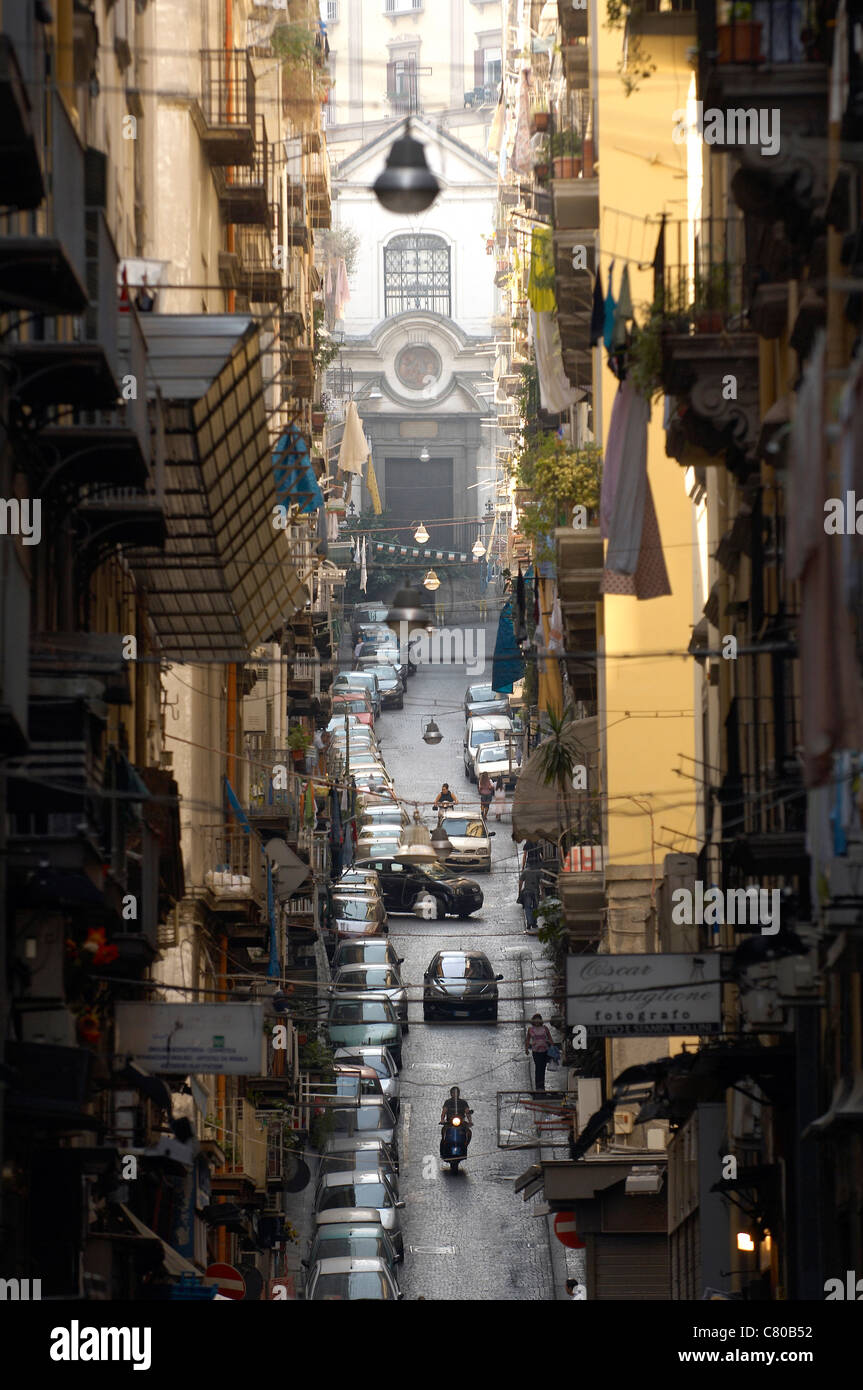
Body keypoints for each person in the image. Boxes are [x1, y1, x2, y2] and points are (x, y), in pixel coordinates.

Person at [525, 1013, 554, 1092]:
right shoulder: (531, 1029)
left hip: (545, 1051)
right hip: (536, 1052)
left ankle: (542, 1085)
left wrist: (553, 1047)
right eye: (535, 1020)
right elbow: (527, 1040)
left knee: (542, 1068)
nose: (537, 1022)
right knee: (538, 1068)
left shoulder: (545, 1028)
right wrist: (526, 1049)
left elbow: (550, 1038)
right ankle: (538, 1086)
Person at [518, 848, 542, 933]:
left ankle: (529, 923)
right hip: (535, 891)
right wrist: (541, 893)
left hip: (527, 891)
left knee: (527, 908)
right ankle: (534, 923)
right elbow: (541, 883)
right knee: (535, 907)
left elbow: (520, 882)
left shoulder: (525, 871)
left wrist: (519, 892)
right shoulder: (538, 871)